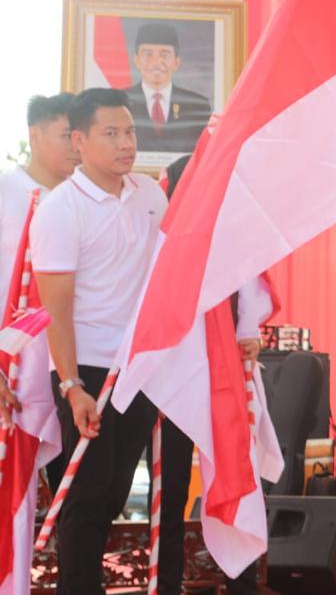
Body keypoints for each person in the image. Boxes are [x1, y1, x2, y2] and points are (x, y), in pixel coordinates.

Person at [31, 88, 168, 594]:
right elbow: (56, 313)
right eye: (110, 134)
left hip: (136, 369)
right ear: (80, 141)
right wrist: (71, 386)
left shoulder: (150, 194)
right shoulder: (61, 210)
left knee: (112, 494)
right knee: (86, 500)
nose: (125, 143)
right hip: (86, 370)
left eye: (129, 131)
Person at [151, 153, 266, 595]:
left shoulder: (236, 236)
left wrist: (249, 332)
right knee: (173, 486)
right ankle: (165, 584)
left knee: (234, 474)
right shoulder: (161, 242)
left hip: (225, 373)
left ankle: (241, 582)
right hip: (172, 379)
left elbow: (252, 288)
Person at [0, 93, 77, 429]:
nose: (76, 146)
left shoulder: (82, 203)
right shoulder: (5, 193)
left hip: (69, 370)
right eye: (66, 135)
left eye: (80, 136)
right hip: (10, 363)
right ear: (35, 135)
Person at [123, 22, 212, 154]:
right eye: (148, 54)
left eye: (164, 55)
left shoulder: (197, 105)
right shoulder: (119, 102)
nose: (156, 62)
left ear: (176, 63)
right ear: (136, 61)